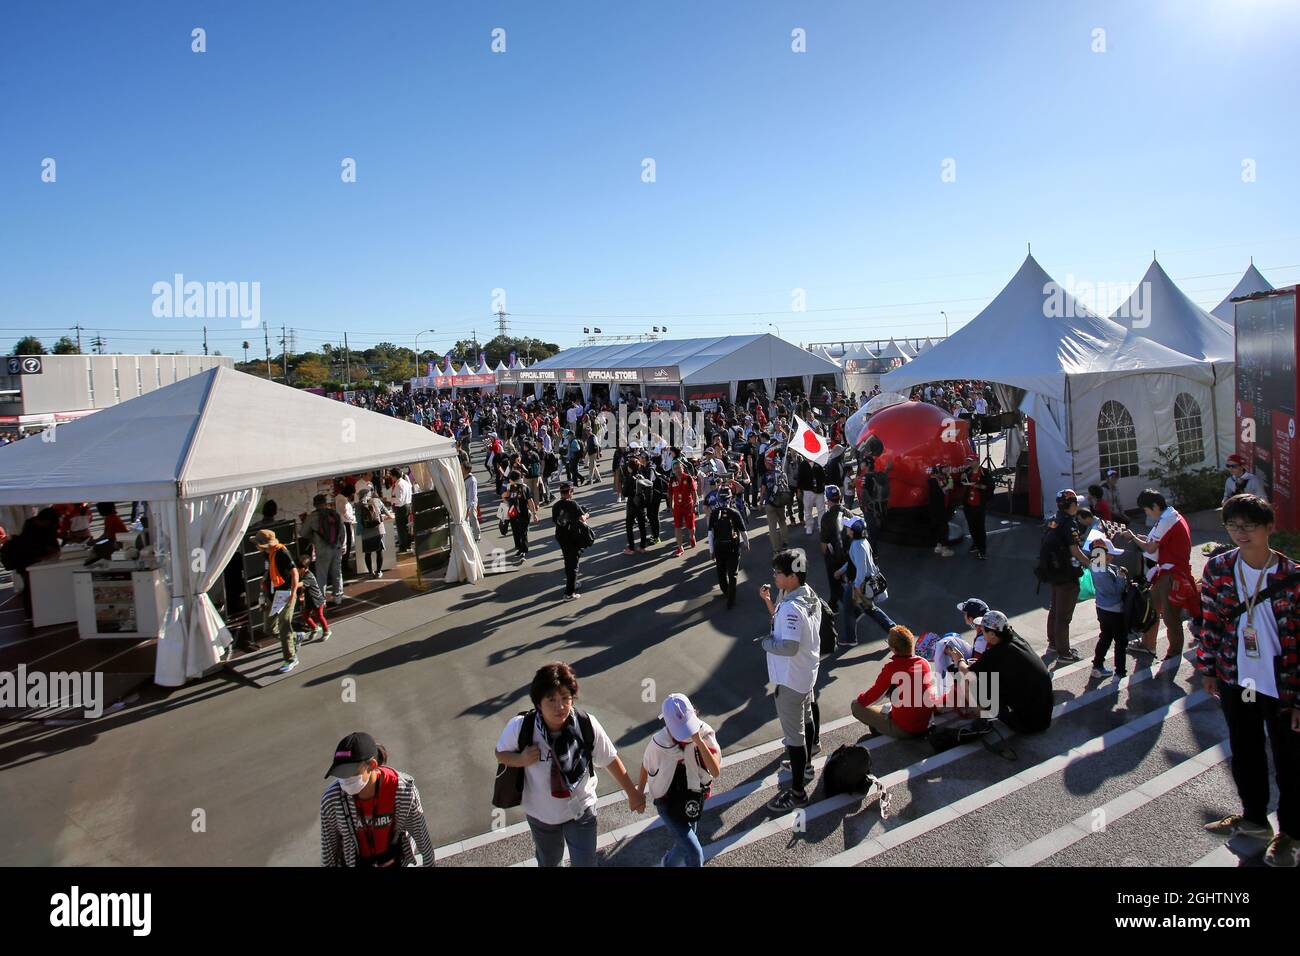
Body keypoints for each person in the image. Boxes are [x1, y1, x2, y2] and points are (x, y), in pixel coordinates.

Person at [1195, 494, 1299, 867]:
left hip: (1282, 684)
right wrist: (1207, 668)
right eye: (1233, 526)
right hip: (1236, 676)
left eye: (1249, 525)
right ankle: (1255, 820)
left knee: (1290, 761)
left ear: (1270, 527)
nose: (1241, 533)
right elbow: (1209, 622)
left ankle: (1291, 833)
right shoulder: (1219, 568)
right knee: (1246, 750)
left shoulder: (1291, 575)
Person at [494, 663, 644, 867]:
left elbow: (609, 758)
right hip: (542, 816)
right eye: (552, 699)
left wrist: (632, 793)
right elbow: (500, 754)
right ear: (538, 702)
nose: (560, 706)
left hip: (581, 811)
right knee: (549, 863)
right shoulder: (521, 727)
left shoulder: (585, 724)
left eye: (565, 698)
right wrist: (520, 760)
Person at [758, 549, 822, 811]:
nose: (774, 576)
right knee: (806, 721)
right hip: (807, 673)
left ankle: (797, 792)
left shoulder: (792, 609)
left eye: (778, 573)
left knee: (793, 738)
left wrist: (765, 643)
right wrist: (770, 602)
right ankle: (806, 768)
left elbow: (789, 647)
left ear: (792, 577)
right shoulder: (809, 596)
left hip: (791, 677)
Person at [320, 732, 435, 867]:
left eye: (351, 773)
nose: (345, 780)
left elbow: (422, 838)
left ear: (372, 765)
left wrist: (429, 863)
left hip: (393, 860)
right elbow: (329, 851)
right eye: (340, 774)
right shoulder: (332, 800)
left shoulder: (402, 791)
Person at [636, 693, 722, 867]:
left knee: (685, 846)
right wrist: (638, 795)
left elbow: (715, 771)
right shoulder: (659, 742)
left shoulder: (705, 734)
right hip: (667, 802)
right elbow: (646, 765)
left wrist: (698, 741)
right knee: (694, 851)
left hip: (692, 798)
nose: (685, 735)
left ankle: (667, 864)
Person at [949, 610, 1053, 734]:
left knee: (967, 681)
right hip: (1044, 717)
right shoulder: (1018, 641)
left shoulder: (998, 652)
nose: (981, 634)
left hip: (1028, 724)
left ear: (992, 634)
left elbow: (967, 673)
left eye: (982, 631)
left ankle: (982, 721)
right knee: (990, 678)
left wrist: (959, 659)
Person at [1122, 489, 1194, 660]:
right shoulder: (1171, 515)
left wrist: (1132, 537)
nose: (1146, 513)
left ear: (1154, 506)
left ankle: (1173, 654)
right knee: (1152, 609)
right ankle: (1148, 645)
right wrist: (1140, 539)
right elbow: (1154, 541)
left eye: (1146, 510)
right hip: (1167, 572)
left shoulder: (1166, 520)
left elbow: (1151, 548)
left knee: (1171, 618)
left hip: (1172, 574)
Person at [851, 625, 936, 739]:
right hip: (927, 723)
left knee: (856, 706)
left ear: (894, 649)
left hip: (908, 729)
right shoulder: (924, 662)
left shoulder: (891, 668)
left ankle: (886, 728)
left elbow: (873, 697)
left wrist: (859, 699)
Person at [1041, 489, 1090, 663]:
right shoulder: (1069, 524)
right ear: (1072, 504)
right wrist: (1090, 563)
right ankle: (1064, 652)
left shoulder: (1053, 520)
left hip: (1054, 572)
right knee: (1064, 615)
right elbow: (1075, 550)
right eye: (1076, 502)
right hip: (1067, 574)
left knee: (1055, 609)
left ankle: (1054, 643)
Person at [837, 516, 895, 646]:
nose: (846, 529)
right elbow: (854, 562)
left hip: (857, 585)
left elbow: (861, 569)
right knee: (865, 609)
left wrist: (857, 586)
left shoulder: (857, 545)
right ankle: (893, 630)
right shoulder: (862, 542)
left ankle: (851, 639)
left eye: (848, 527)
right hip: (858, 583)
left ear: (853, 531)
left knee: (863, 610)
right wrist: (841, 571)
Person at [250, 528, 300, 674]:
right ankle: (295, 637)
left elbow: (294, 572)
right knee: (269, 628)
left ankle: (291, 658)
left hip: (286, 593)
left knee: (284, 624)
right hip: (272, 595)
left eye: (258, 544)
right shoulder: (268, 554)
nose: (256, 547)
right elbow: (270, 571)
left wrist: (294, 592)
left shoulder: (282, 552)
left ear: (265, 544)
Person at [3, 508, 61, 622]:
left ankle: (34, 612)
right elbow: (31, 546)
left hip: (31, 560)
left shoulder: (31, 523)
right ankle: (32, 613)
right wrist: (47, 553)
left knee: (31, 586)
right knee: (30, 586)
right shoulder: (33, 527)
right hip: (26, 561)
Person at [707, 486, 748, 609]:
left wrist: (711, 550)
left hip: (719, 547)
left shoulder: (714, 513)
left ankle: (725, 591)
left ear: (719, 499)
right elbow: (743, 531)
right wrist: (746, 542)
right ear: (730, 499)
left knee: (721, 571)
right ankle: (731, 599)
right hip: (733, 547)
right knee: (732, 573)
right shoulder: (735, 512)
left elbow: (710, 534)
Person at [551, 482, 588, 600]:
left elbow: (555, 520)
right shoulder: (573, 504)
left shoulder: (556, 506)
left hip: (561, 536)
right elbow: (582, 518)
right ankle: (569, 593)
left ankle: (573, 583)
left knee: (568, 560)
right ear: (570, 491)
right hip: (573, 537)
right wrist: (587, 515)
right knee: (574, 564)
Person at [305, 493, 345, 605]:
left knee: (321, 575)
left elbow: (303, 532)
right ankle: (338, 596)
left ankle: (322, 600)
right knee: (337, 572)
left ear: (314, 504)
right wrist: (343, 545)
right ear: (325, 503)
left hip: (321, 549)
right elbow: (342, 531)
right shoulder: (334, 514)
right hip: (336, 547)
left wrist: (312, 535)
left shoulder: (312, 517)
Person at [819, 485, 848, 613]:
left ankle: (852, 609)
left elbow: (824, 543)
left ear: (828, 499)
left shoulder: (826, 517)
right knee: (844, 580)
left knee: (834, 582)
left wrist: (826, 556)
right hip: (847, 554)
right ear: (839, 498)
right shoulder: (848, 512)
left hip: (833, 557)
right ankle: (833, 603)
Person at [961, 459, 994, 560]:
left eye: (971, 461)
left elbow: (990, 486)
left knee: (980, 527)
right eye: (968, 461)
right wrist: (961, 479)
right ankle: (975, 543)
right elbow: (961, 482)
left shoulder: (985, 472)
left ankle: (982, 550)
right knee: (971, 526)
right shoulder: (967, 471)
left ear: (977, 461)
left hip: (979, 505)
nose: (969, 463)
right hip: (968, 504)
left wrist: (977, 485)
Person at [357, 488, 394, 579]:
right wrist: (389, 516)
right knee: (379, 551)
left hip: (366, 532)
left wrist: (359, 531)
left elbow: (359, 521)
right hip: (379, 530)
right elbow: (386, 511)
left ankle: (370, 572)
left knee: (368, 553)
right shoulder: (377, 500)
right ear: (369, 494)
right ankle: (378, 571)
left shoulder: (358, 505)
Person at [297, 550, 331, 643]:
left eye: (298, 568)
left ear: (304, 568)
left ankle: (326, 631)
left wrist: (293, 584)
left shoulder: (309, 576)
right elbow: (303, 588)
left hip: (317, 599)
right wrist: (301, 594)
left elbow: (301, 584)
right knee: (305, 615)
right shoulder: (302, 574)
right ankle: (315, 628)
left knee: (320, 616)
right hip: (309, 600)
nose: (297, 570)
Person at [622, 452, 652, 554]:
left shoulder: (629, 478)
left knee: (629, 526)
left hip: (631, 504)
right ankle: (642, 546)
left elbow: (625, 493)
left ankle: (631, 547)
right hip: (640, 503)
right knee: (642, 525)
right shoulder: (640, 476)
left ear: (630, 468)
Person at [504, 469, 537, 561]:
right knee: (516, 533)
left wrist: (534, 514)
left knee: (523, 533)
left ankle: (523, 551)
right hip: (513, 514)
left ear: (512, 479)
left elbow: (530, 501)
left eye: (510, 479)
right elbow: (505, 499)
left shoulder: (525, 488)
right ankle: (519, 549)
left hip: (523, 514)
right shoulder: (510, 487)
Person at [668, 459, 699, 556]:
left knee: (690, 526)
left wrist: (695, 504)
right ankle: (680, 547)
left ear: (683, 468)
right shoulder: (672, 480)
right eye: (675, 468)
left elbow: (694, 493)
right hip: (677, 507)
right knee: (677, 527)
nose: (677, 470)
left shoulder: (688, 478)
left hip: (688, 505)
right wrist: (670, 506)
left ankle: (691, 536)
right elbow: (670, 494)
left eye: (679, 468)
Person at [335, 485, 357, 591]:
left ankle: (345, 562)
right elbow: (345, 513)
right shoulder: (343, 500)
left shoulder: (338, 497)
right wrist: (352, 518)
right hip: (345, 523)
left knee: (346, 543)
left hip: (343, 522)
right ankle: (345, 563)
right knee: (347, 543)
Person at [388, 468, 413, 553]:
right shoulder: (405, 482)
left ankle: (403, 546)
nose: (391, 477)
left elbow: (399, 499)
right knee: (406, 527)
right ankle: (407, 544)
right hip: (407, 505)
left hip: (401, 507)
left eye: (391, 476)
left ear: (394, 476)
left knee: (401, 528)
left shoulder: (399, 485)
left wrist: (391, 499)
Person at [461, 457, 481, 542]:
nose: (460, 469)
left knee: (473, 518)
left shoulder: (472, 480)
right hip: (464, 501)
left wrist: (469, 507)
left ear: (466, 470)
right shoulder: (463, 477)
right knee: (466, 520)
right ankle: (468, 535)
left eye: (462, 468)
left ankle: (477, 536)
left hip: (470, 502)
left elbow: (472, 495)